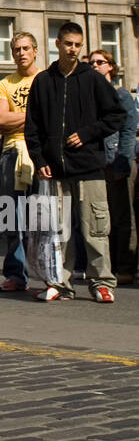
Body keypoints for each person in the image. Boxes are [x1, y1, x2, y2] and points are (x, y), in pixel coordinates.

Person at [24, 21, 123, 303]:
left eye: (78, 45)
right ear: (57, 44)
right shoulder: (43, 81)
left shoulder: (92, 78)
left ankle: (101, 281)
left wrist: (88, 133)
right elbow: (32, 127)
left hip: (89, 166)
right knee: (58, 230)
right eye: (68, 44)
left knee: (95, 226)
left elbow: (116, 116)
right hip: (55, 168)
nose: (73, 50)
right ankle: (59, 282)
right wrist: (39, 158)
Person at [0, 32, 40, 294]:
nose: (21, 53)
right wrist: (34, 114)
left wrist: (18, 116)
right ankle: (15, 274)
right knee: (12, 216)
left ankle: (46, 272)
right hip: (12, 152)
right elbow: (0, 120)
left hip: (38, 152)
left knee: (41, 216)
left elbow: (51, 117)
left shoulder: (45, 79)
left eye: (25, 48)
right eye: (16, 49)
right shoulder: (4, 84)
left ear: (35, 51)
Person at [88, 51, 138, 286]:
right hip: (97, 163)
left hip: (118, 161)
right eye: (92, 63)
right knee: (101, 217)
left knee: (122, 216)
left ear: (111, 67)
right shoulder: (90, 96)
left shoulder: (121, 95)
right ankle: (107, 266)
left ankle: (126, 265)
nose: (95, 66)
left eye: (100, 62)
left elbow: (128, 131)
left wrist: (124, 161)